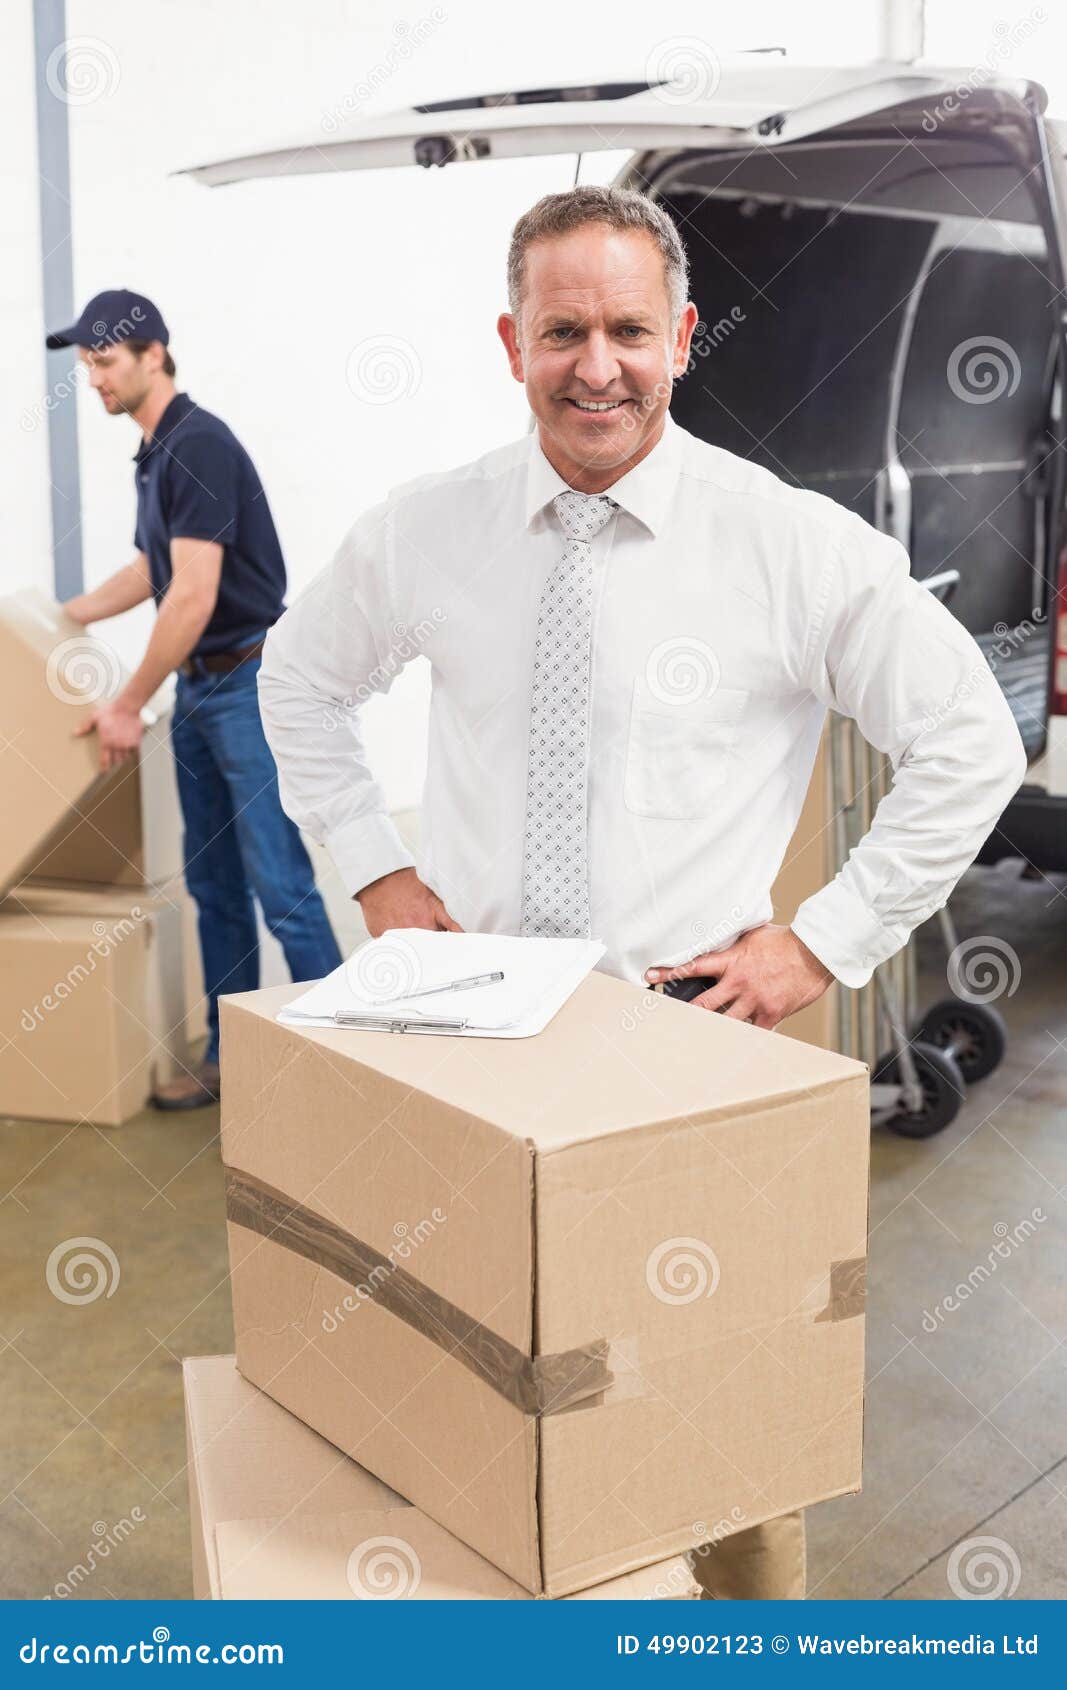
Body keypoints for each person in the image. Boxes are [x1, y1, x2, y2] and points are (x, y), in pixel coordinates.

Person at [254, 188, 1027, 1595]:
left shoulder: (779, 543)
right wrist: (374, 864)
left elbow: (968, 737)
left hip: (689, 1046)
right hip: (476, 1038)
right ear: (509, 342)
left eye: (625, 328)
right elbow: (298, 679)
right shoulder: (428, 530)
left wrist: (822, 940)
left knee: (720, 1423)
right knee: (495, 1381)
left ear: (679, 336)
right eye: (562, 329)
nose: (593, 364)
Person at [48, 289, 342, 1110]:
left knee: (279, 884)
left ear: (152, 354)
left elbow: (192, 596)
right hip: (200, 688)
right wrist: (55, 620)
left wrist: (124, 702)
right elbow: (153, 570)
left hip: (245, 684)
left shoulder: (197, 445)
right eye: (86, 367)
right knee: (213, 886)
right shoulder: (155, 453)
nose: (94, 381)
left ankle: (354, 1068)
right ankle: (232, 1059)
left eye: (104, 363)